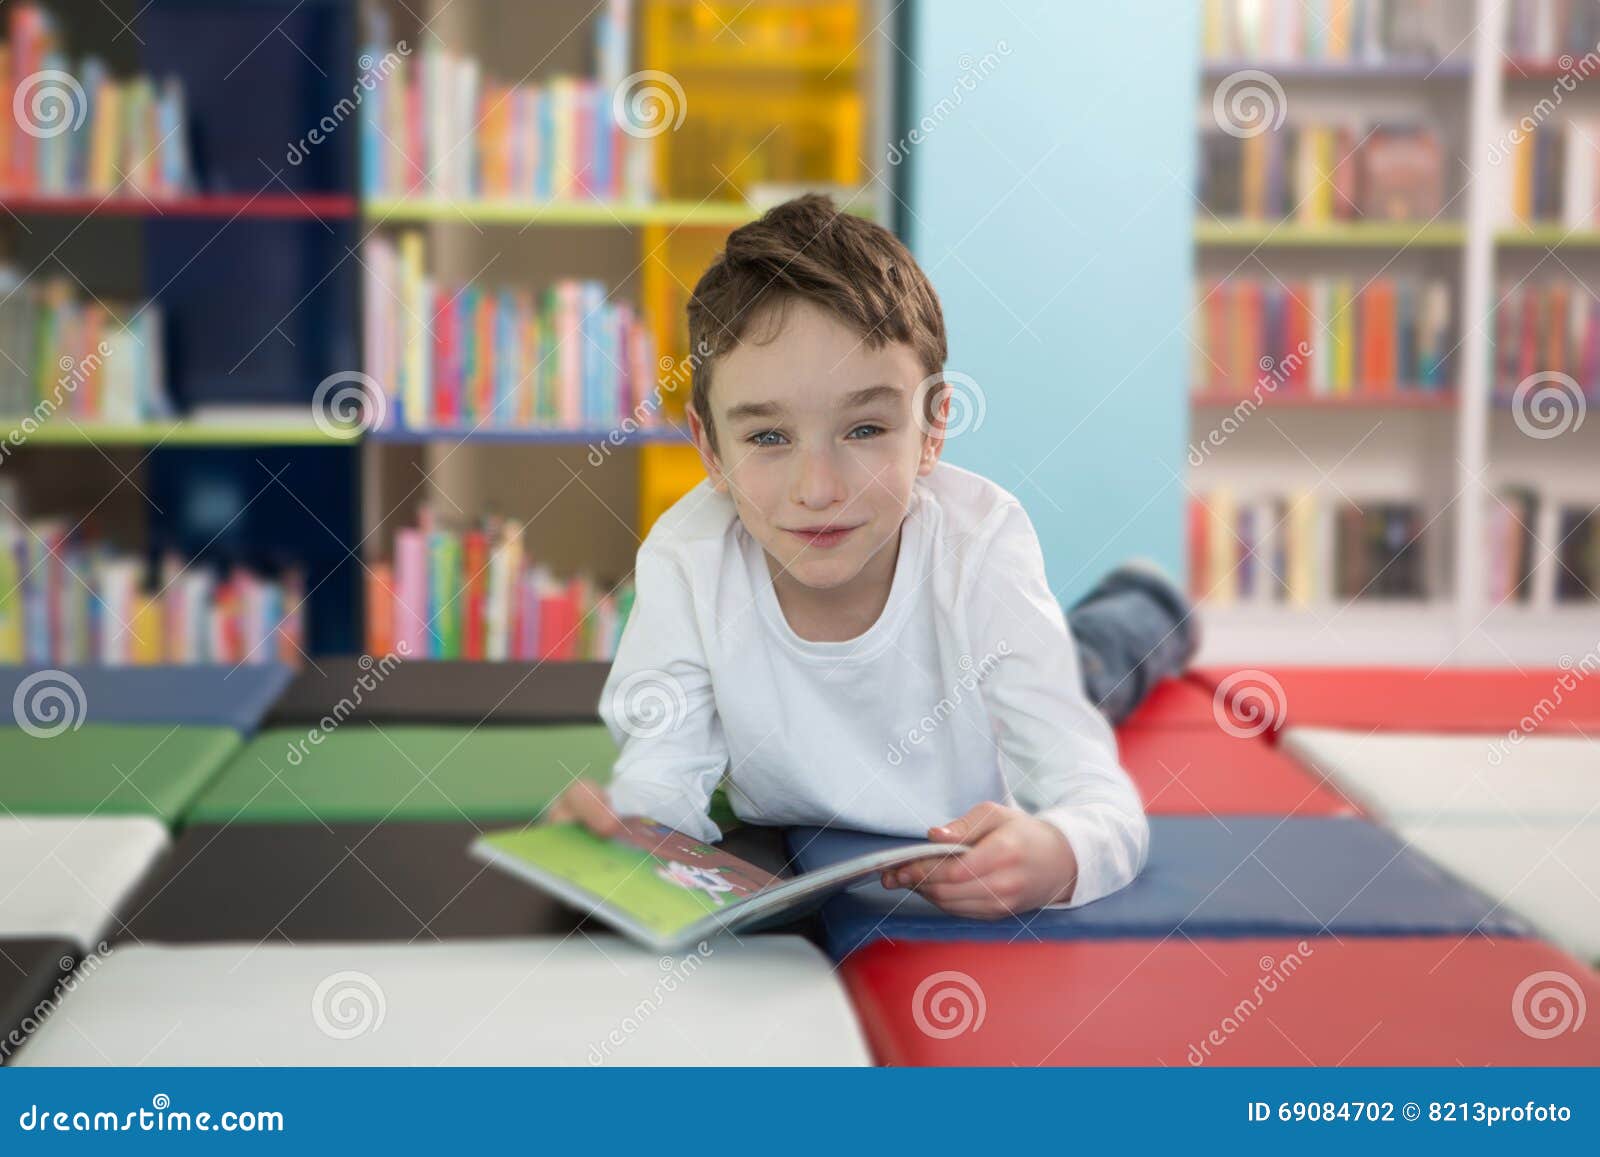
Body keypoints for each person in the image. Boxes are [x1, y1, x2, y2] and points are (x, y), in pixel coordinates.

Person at [548, 194, 1197, 918]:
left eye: (863, 429)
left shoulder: (980, 547)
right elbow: (661, 770)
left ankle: (1148, 601)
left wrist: (1056, 855)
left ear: (931, 427)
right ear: (710, 449)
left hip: (988, 707)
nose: (819, 489)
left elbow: (1101, 804)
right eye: (768, 438)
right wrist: (632, 833)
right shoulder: (689, 555)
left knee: (1101, 667)